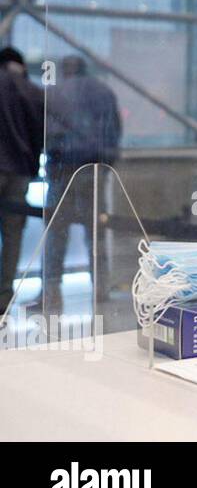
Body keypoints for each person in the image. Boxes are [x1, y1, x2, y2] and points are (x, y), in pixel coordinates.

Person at [43, 55, 122, 310]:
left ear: (66, 70)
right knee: (95, 230)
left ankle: (52, 290)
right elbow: (114, 131)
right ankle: (100, 287)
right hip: (95, 168)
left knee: (56, 230)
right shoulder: (104, 92)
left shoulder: (56, 93)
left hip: (63, 168)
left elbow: (48, 132)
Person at [0, 47, 43, 313]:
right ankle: (3, 295)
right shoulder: (31, 89)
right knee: (13, 233)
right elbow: (39, 132)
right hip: (18, 171)